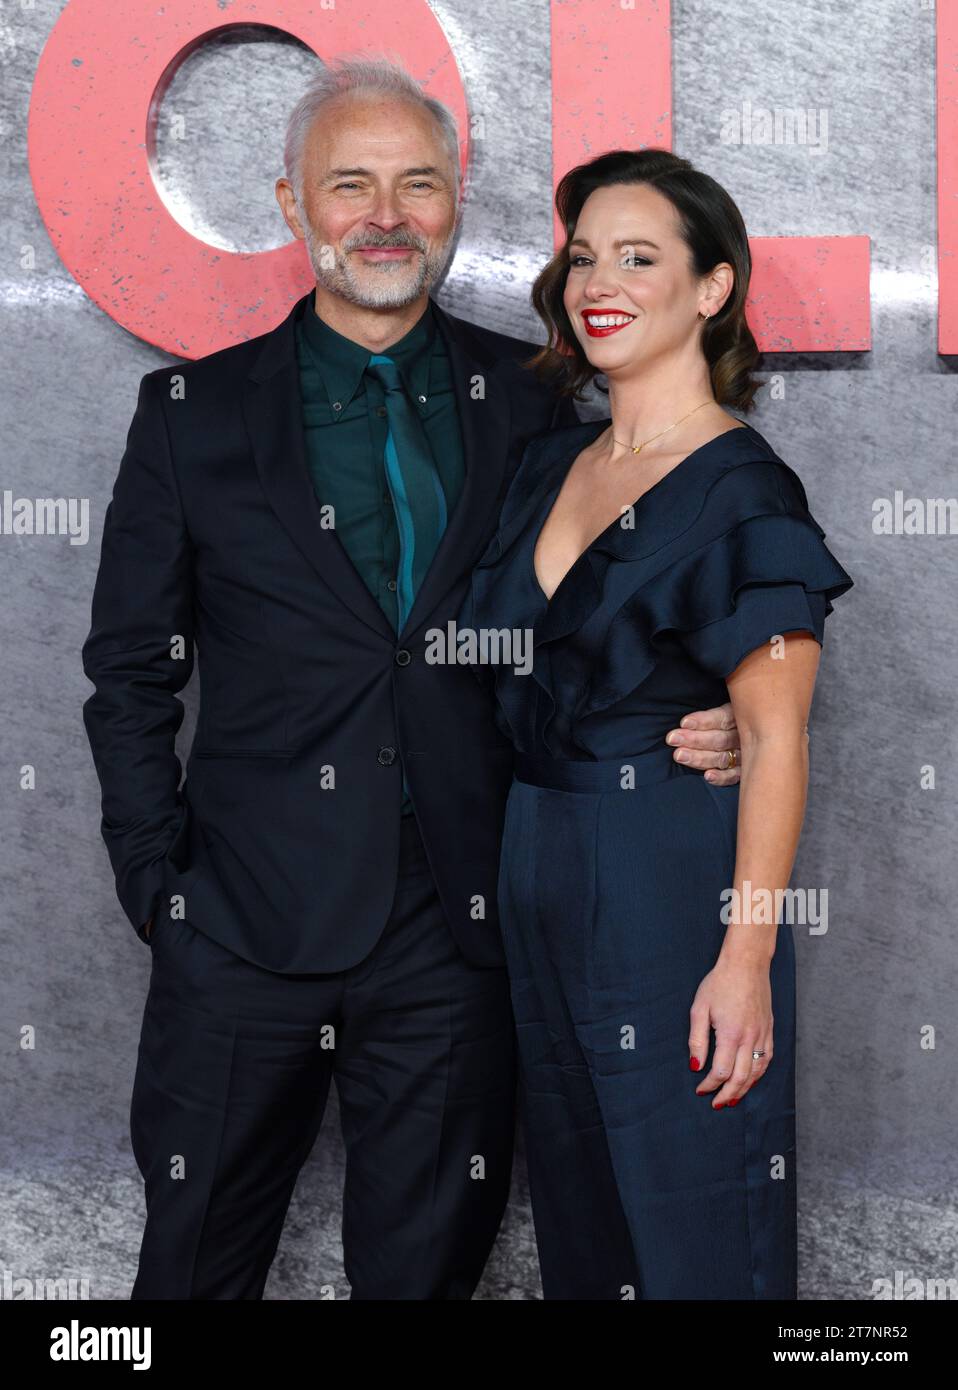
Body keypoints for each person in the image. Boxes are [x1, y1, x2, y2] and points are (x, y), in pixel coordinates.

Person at [81, 59, 747, 1300]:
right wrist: (159, 887)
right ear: (293, 204)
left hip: (461, 928)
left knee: (426, 1280)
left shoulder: (541, 403)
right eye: (351, 184)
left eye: (418, 183)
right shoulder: (189, 413)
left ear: (455, 201)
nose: (386, 215)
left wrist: (720, 718)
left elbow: (599, 631)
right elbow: (128, 669)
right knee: (188, 1278)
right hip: (239, 924)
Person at [459, 148, 854, 1299]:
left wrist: (745, 958)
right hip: (534, 858)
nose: (600, 282)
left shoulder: (743, 489)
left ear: (712, 287)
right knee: (583, 1221)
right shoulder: (547, 460)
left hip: (664, 879)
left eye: (639, 257)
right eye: (585, 256)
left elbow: (774, 738)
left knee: (696, 1217)